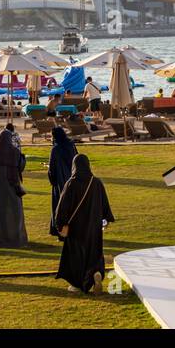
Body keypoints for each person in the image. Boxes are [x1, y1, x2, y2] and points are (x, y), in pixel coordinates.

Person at [53, 153, 115, 293]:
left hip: (76, 228)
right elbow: (104, 204)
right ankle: (96, 273)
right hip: (94, 227)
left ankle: (77, 284)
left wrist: (60, 223)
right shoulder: (96, 182)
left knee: (77, 255)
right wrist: (106, 219)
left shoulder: (71, 183)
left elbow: (62, 207)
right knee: (94, 252)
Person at [0, 129, 28, 248]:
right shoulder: (15, 152)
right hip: (13, 184)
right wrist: (23, 158)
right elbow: (20, 167)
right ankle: (16, 238)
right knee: (15, 211)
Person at [47, 125, 77, 216]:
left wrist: (52, 181)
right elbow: (77, 159)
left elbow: (52, 169)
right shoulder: (71, 145)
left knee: (59, 205)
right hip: (72, 178)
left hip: (60, 181)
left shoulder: (55, 149)